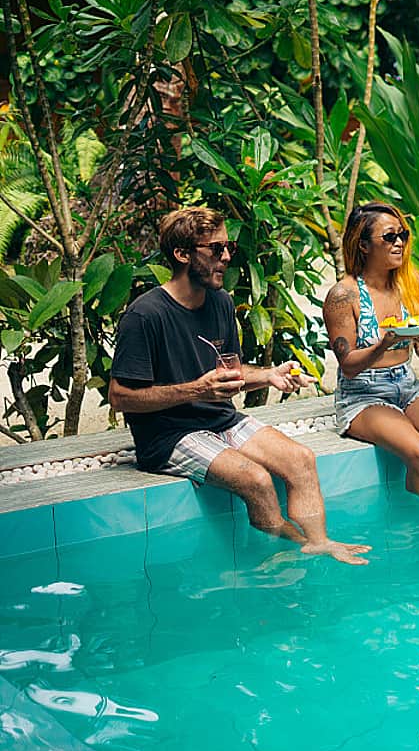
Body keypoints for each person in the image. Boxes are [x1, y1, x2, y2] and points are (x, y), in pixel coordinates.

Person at [109, 207, 371, 565]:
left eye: (228, 247)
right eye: (216, 249)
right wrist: (196, 391)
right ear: (183, 254)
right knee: (257, 480)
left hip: (220, 421)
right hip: (168, 436)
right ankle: (291, 551)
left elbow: (227, 371)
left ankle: (319, 542)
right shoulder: (145, 315)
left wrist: (268, 375)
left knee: (301, 460)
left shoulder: (219, 302)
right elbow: (120, 397)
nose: (228, 257)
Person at [322, 202, 419, 532]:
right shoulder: (343, 295)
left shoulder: (411, 284)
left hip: (406, 385)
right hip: (362, 395)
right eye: (389, 236)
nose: (399, 243)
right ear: (363, 245)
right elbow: (348, 367)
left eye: (402, 235)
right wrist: (385, 343)